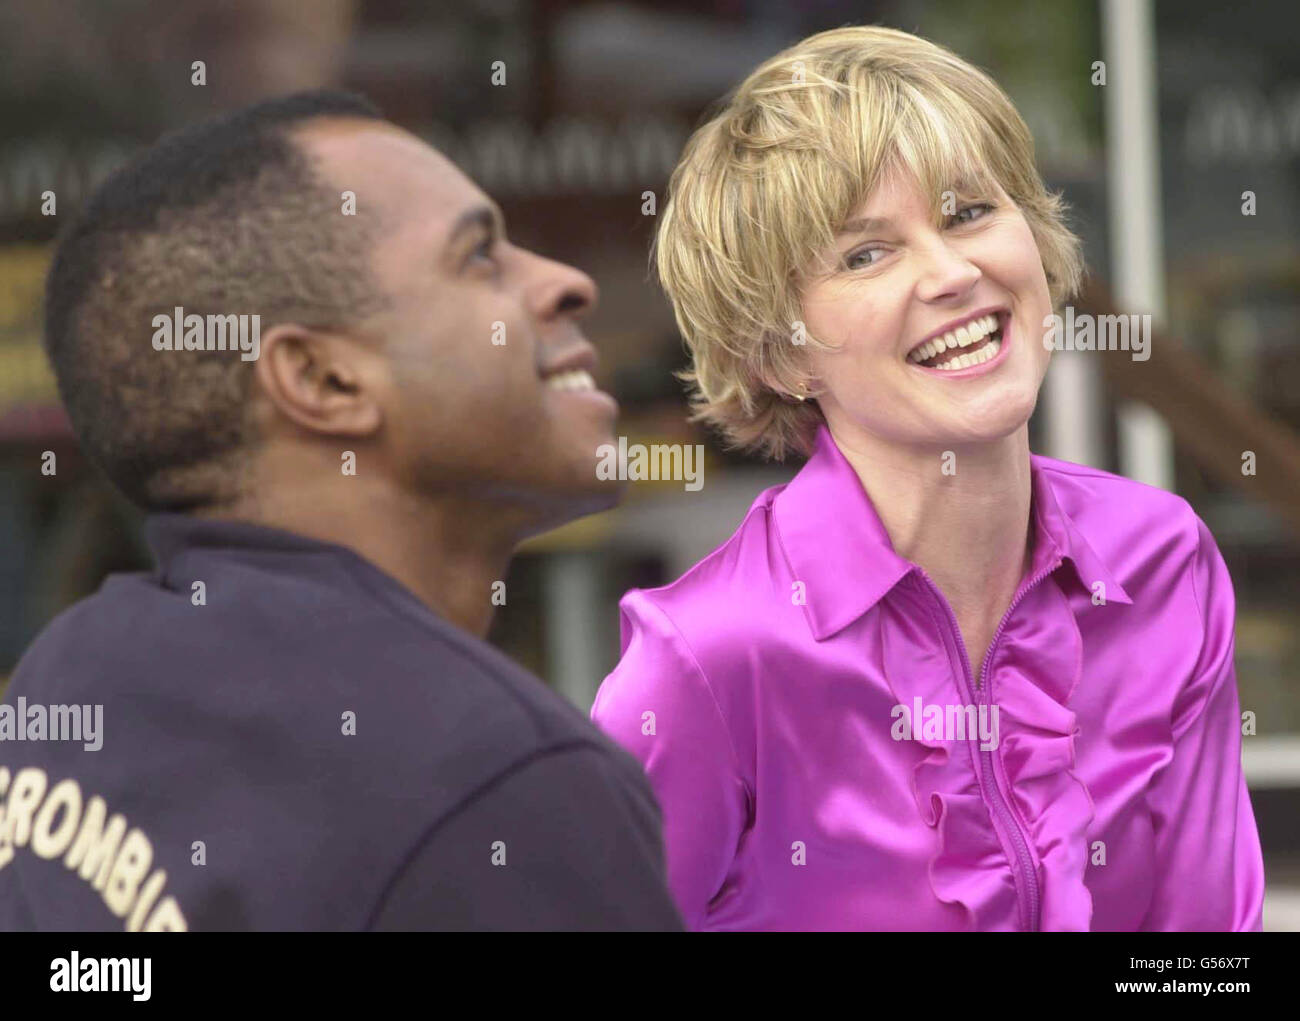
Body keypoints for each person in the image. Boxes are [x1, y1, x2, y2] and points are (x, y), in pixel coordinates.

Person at [590, 25, 1265, 931]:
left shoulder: (1160, 557)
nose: (953, 272)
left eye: (968, 212)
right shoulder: (706, 660)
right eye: (866, 253)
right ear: (779, 356)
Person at [0, 91, 684, 932]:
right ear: (323, 382)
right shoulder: (497, 781)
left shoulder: (74, 672)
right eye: (480, 257)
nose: (567, 281)